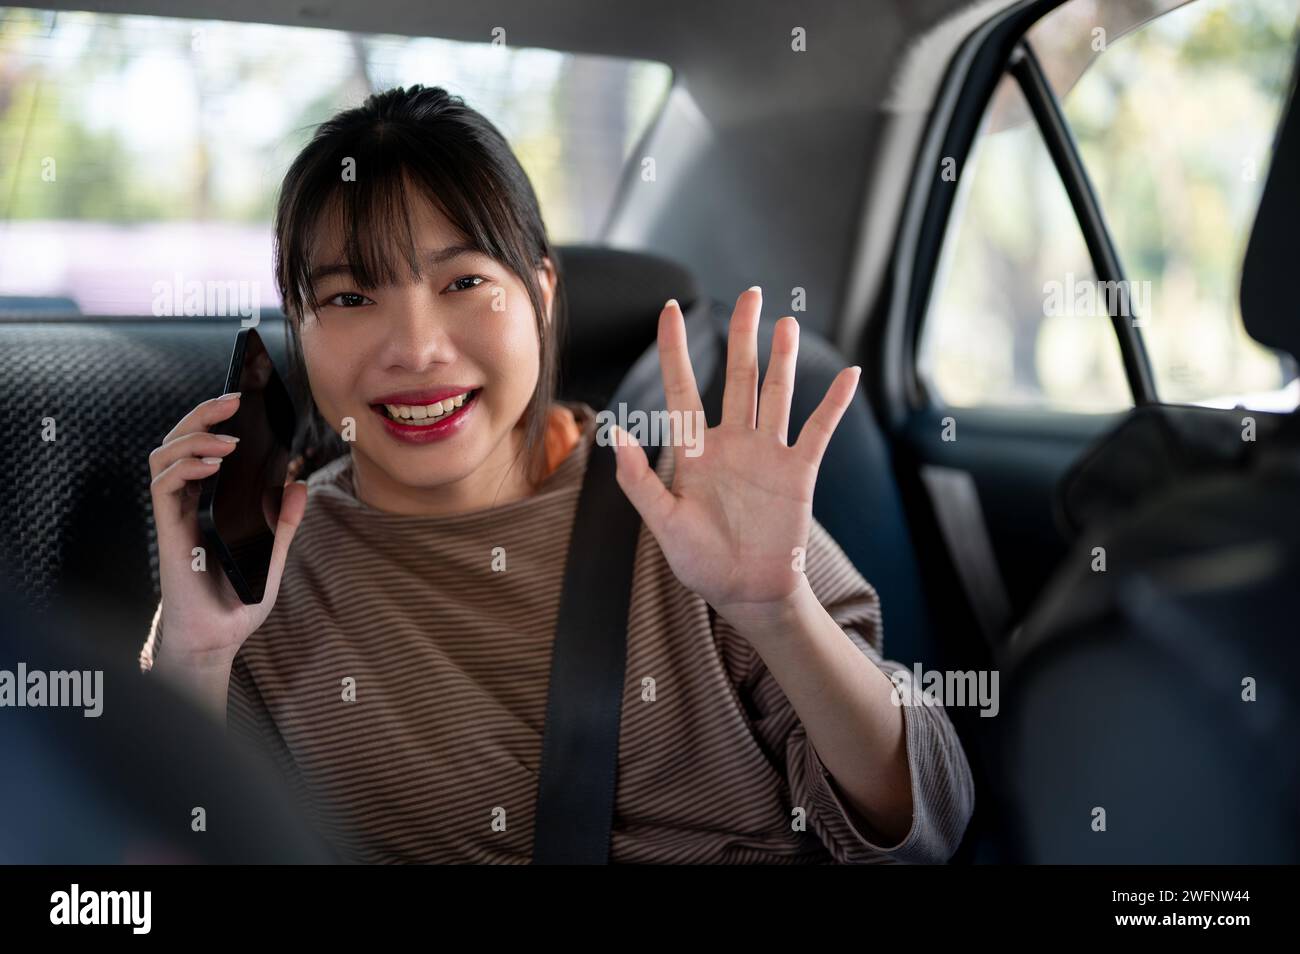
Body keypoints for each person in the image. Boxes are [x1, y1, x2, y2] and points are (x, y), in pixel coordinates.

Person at [139, 84, 974, 864]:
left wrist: (778, 611)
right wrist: (198, 657)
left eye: (464, 281)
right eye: (352, 299)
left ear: (539, 295)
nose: (417, 349)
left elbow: (924, 822)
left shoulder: (696, 504)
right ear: (298, 329)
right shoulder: (257, 587)